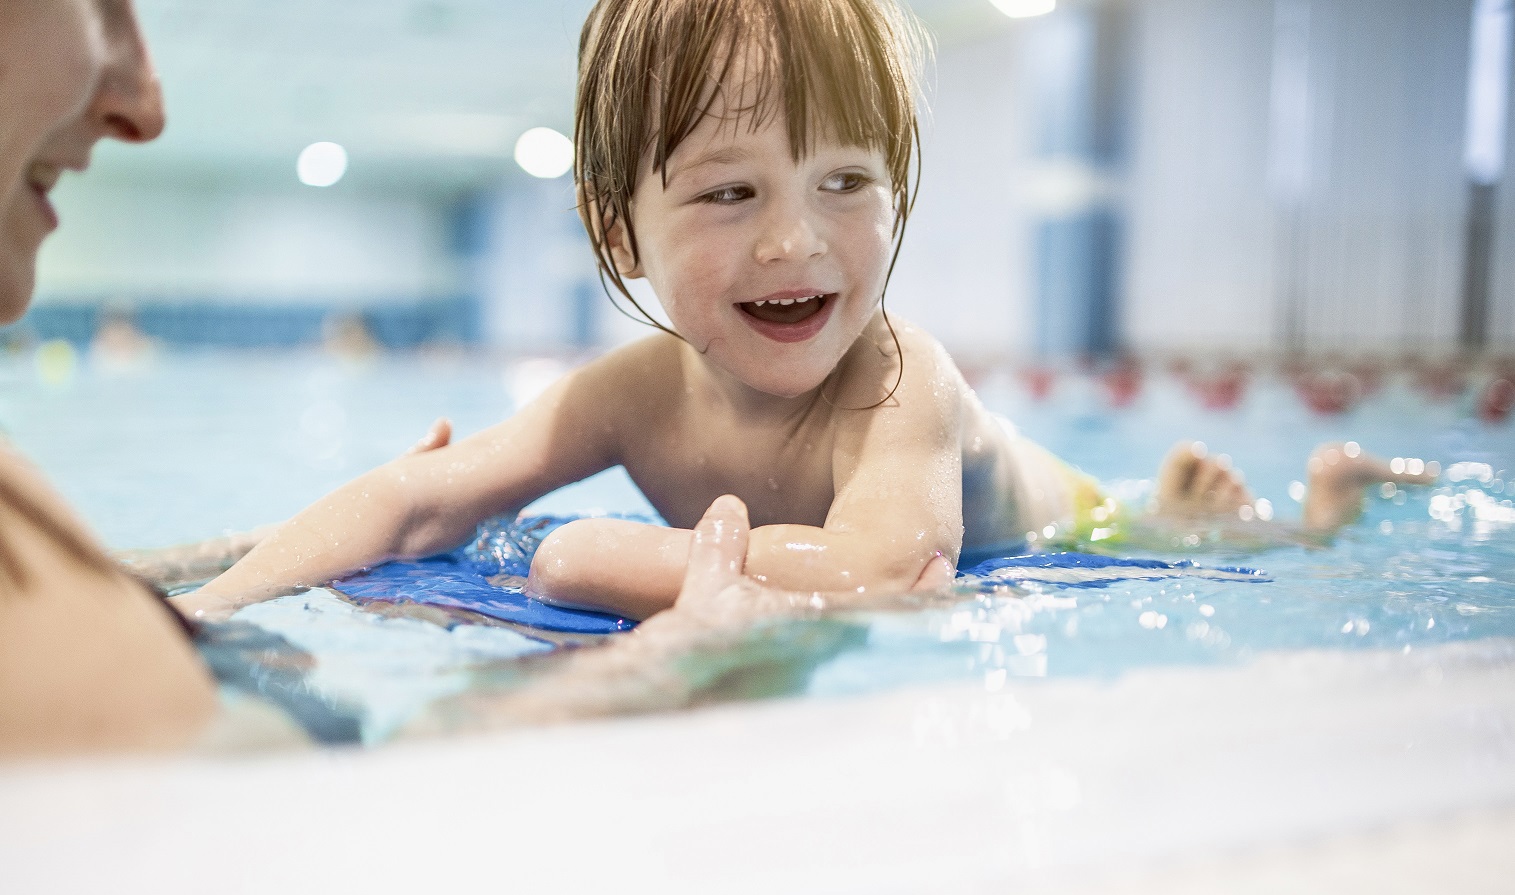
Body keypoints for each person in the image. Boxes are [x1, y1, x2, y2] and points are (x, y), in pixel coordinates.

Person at [173, 0, 1433, 627]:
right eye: (731, 191)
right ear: (618, 231)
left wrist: (604, 559)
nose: (799, 240)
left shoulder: (902, 384)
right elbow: (416, 496)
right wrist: (213, 611)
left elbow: (894, 569)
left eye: (846, 183)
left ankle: (1317, 507)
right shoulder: (629, 397)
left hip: (1078, 521)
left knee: (1225, 539)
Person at [0, 0, 825, 758]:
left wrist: (251, 557)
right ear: (620, 236)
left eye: (844, 183)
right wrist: (665, 663)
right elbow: (353, 819)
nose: (145, 103)